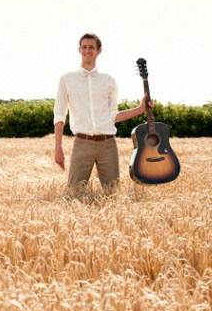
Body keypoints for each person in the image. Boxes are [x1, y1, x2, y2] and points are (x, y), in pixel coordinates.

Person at [53, 33, 151, 192]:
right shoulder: (67, 79)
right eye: (84, 47)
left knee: (112, 193)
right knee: (74, 193)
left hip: (108, 145)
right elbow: (59, 114)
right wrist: (58, 148)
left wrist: (140, 109)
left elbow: (113, 116)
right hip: (82, 143)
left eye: (91, 47)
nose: (87, 51)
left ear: (99, 50)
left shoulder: (108, 81)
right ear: (79, 50)